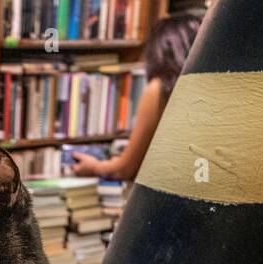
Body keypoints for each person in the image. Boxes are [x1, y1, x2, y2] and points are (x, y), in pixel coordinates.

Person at [67, 12, 204, 182]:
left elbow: (124, 169)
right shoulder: (209, 89)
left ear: (162, 48)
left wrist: (94, 166)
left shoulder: (160, 90)